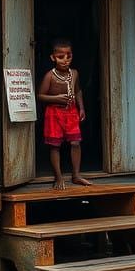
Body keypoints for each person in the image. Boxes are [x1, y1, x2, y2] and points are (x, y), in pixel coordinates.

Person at [37, 38, 91, 190]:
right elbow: (40, 95)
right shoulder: (50, 76)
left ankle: (76, 175)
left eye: (69, 56)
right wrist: (56, 98)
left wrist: (81, 108)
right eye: (61, 57)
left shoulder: (74, 74)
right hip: (54, 113)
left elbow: (78, 90)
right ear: (53, 58)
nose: (65, 60)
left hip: (71, 112)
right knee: (55, 145)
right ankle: (59, 177)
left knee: (75, 142)